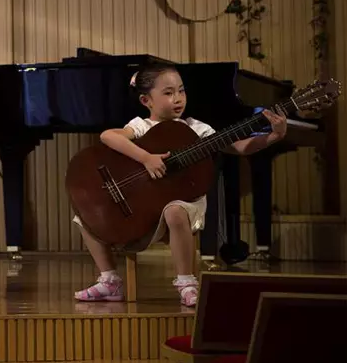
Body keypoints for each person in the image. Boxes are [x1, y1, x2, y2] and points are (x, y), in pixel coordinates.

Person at [73, 64, 287, 307]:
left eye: (181, 91)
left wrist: (274, 136)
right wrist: (146, 158)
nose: (178, 99)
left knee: (174, 210)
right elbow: (108, 136)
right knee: (85, 216)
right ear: (146, 100)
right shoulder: (141, 127)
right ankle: (110, 280)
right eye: (168, 93)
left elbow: (239, 147)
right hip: (146, 209)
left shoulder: (197, 129)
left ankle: (186, 282)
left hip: (186, 205)